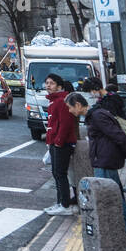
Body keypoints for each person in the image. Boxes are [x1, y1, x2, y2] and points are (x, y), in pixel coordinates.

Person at [66, 92, 126, 234]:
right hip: (105, 159)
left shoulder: (97, 116)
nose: (70, 111)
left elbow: (118, 135)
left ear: (78, 105)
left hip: (105, 161)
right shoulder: (96, 115)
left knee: (108, 195)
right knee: (114, 192)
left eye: (70, 107)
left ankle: (122, 227)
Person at [43, 74, 78, 215]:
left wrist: (58, 141)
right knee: (57, 174)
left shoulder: (62, 101)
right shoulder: (54, 101)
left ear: (59, 85)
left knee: (60, 173)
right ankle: (60, 203)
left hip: (62, 144)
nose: (48, 86)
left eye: (51, 83)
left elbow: (65, 124)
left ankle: (65, 204)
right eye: (46, 83)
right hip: (55, 142)